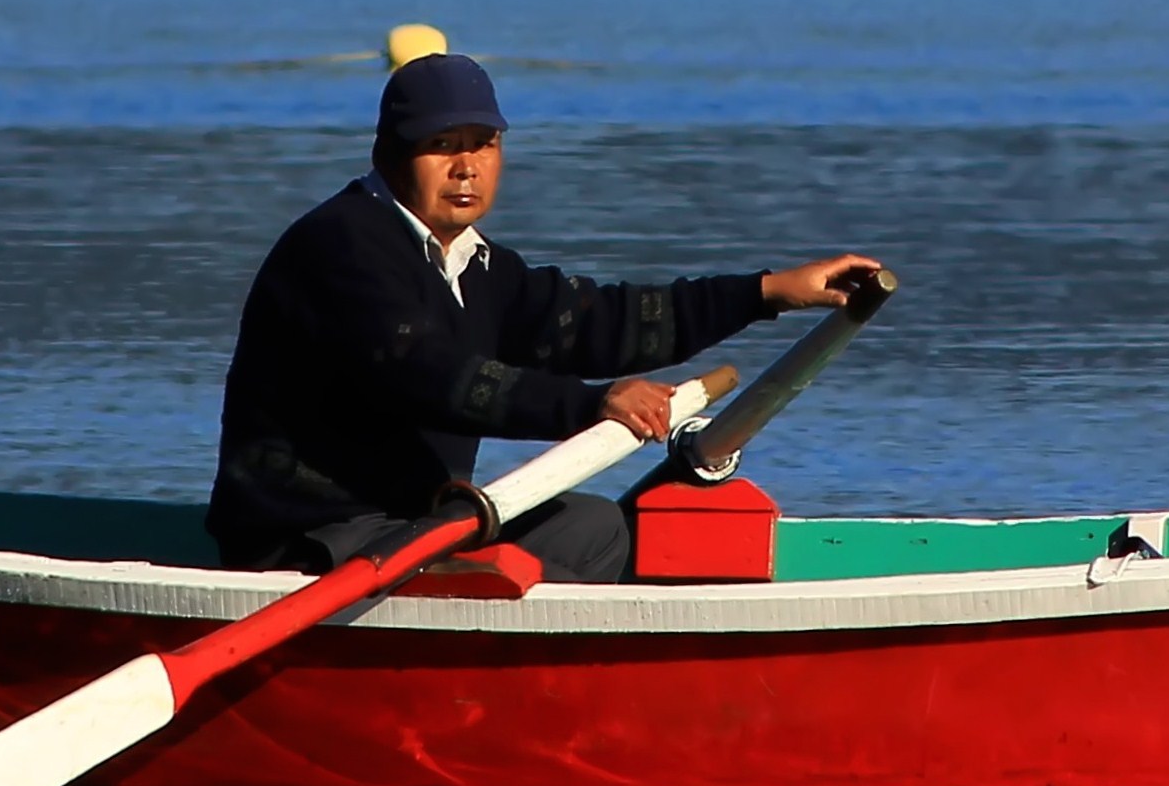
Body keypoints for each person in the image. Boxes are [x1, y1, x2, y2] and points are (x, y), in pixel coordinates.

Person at [207, 51, 882, 580]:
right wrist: (592, 406)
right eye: (443, 144)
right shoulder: (339, 246)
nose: (466, 166)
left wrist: (763, 292)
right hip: (311, 536)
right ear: (389, 151)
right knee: (533, 576)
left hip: (416, 518)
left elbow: (594, 321)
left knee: (598, 531)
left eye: (484, 143)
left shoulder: (477, 265)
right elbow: (428, 374)